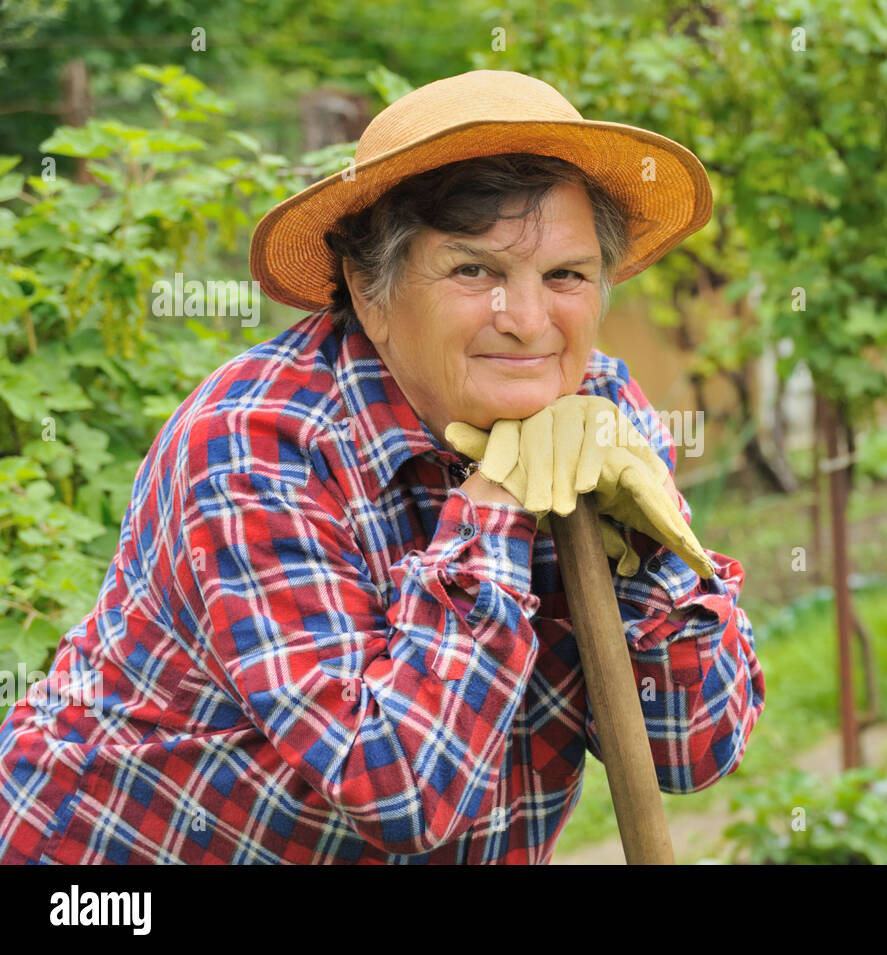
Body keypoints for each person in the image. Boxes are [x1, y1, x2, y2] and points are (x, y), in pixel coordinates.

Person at [0, 69, 764, 864]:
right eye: (477, 271)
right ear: (369, 286)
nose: (531, 322)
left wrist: (653, 565)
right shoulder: (254, 447)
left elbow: (693, 747)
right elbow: (398, 787)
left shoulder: (597, 408)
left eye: (565, 275)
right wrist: (496, 503)